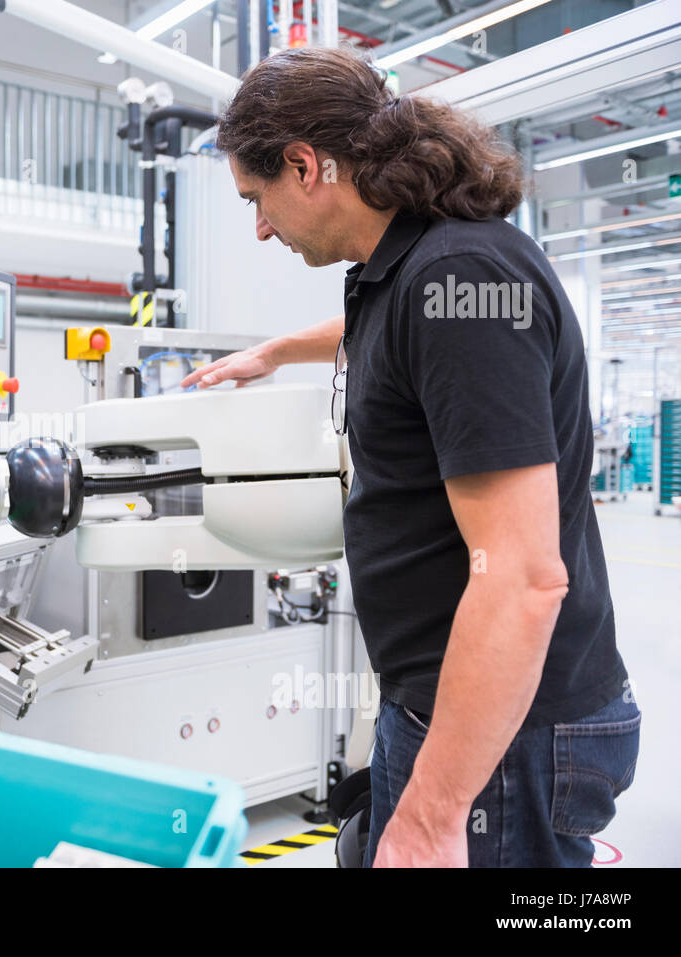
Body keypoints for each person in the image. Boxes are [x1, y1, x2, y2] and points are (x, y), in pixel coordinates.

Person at [181, 47, 639, 867]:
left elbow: (525, 579)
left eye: (259, 200)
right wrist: (279, 350)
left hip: (508, 736)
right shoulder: (405, 267)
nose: (258, 227)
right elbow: (392, 334)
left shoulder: (461, 273)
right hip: (446, 703)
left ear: (305, 163)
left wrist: (433, 815)